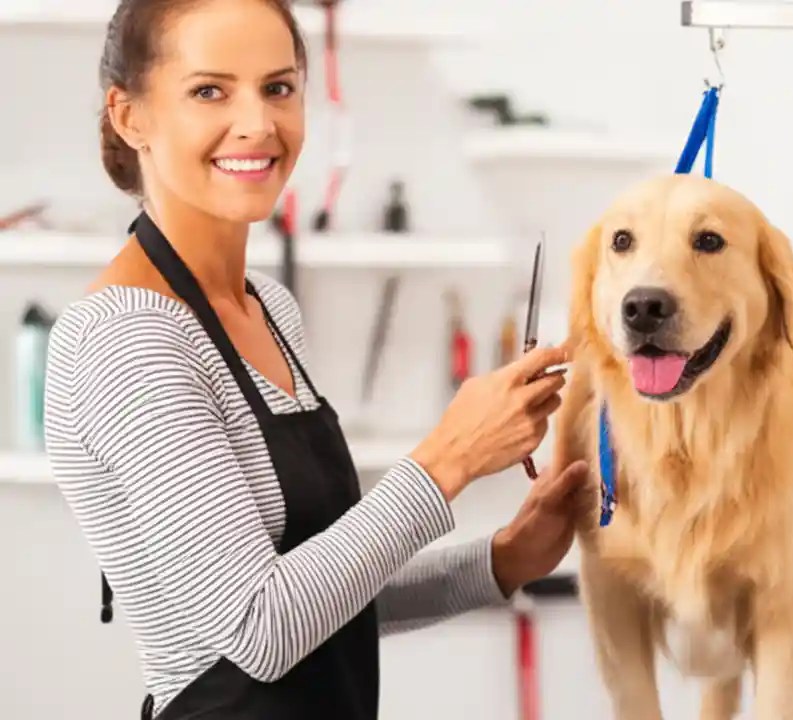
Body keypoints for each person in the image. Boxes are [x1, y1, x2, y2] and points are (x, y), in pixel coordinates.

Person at [40, 0, 589, 718]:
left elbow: (326, 598)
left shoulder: (267, 308)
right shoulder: (126, 340)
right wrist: (449, 458)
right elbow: (260, 628)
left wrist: (505, 558)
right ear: (129, 115)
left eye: (278, 87)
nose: (258, 123)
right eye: (210, 90)